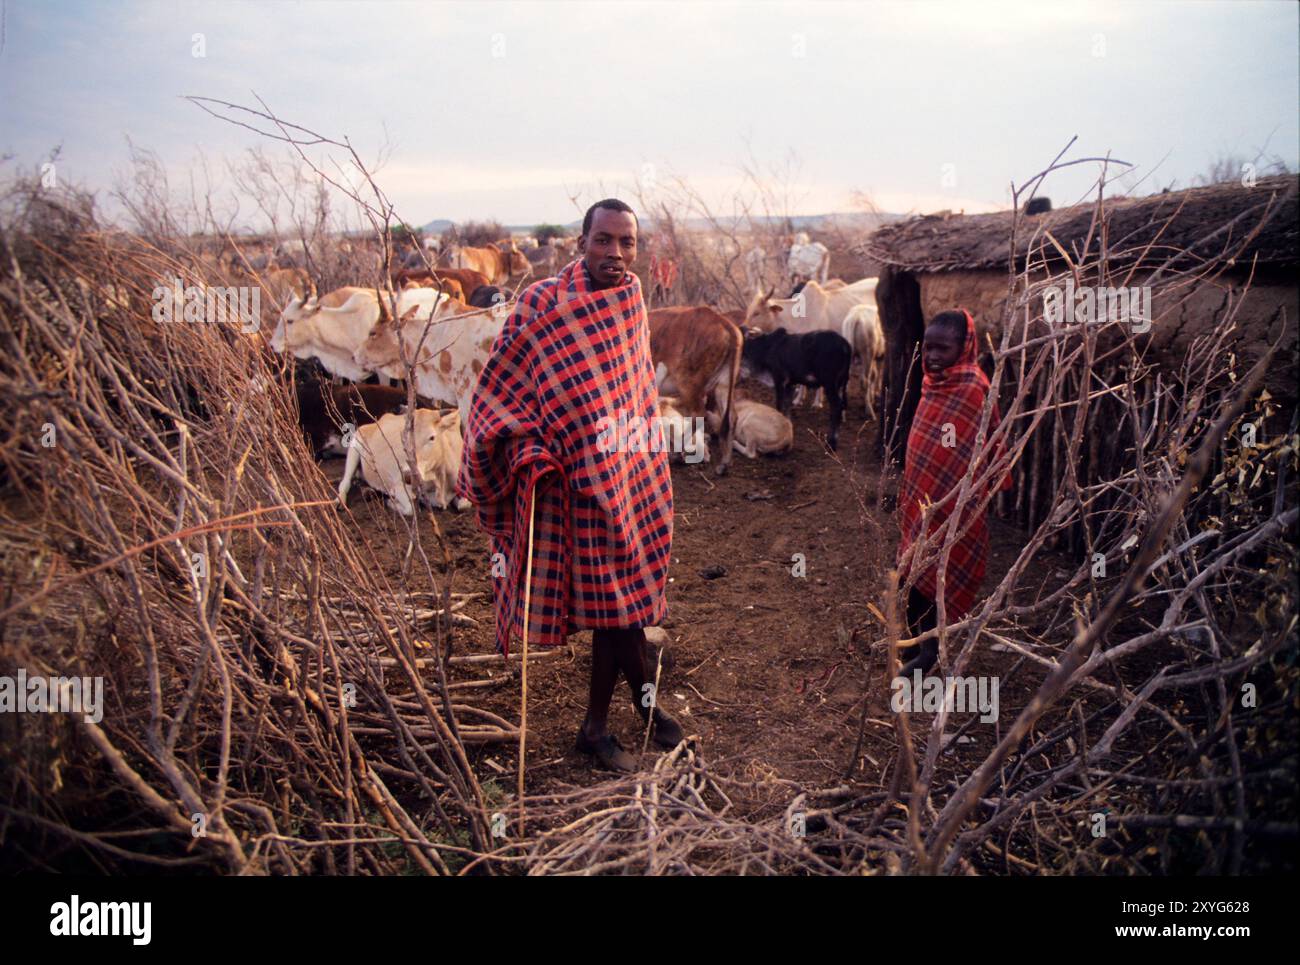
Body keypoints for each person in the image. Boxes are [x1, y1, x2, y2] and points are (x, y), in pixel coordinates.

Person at [458, 199, 685, 773]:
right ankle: (600, 726)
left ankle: (641, 712)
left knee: (627, 605)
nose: (615, 253)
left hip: (630, 472)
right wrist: (530, 447)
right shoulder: (541, 304)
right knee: (617, 610)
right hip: (572, 486)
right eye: (603, 240)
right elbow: (499, 393)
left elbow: (629, 390)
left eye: (626, 242)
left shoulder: (631, 299)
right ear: (581, 242)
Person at [896, 309, 1013, 676]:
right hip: (923, 501)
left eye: (941, 349)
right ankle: (917, 645)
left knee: (936, 577)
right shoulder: (934, 382)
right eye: (927, 347)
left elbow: (986, 452)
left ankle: (929, 653)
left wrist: (968, 496)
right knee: (912, 575)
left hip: (954, 507)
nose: (931, 356)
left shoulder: (971, 388)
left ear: (964, 348)